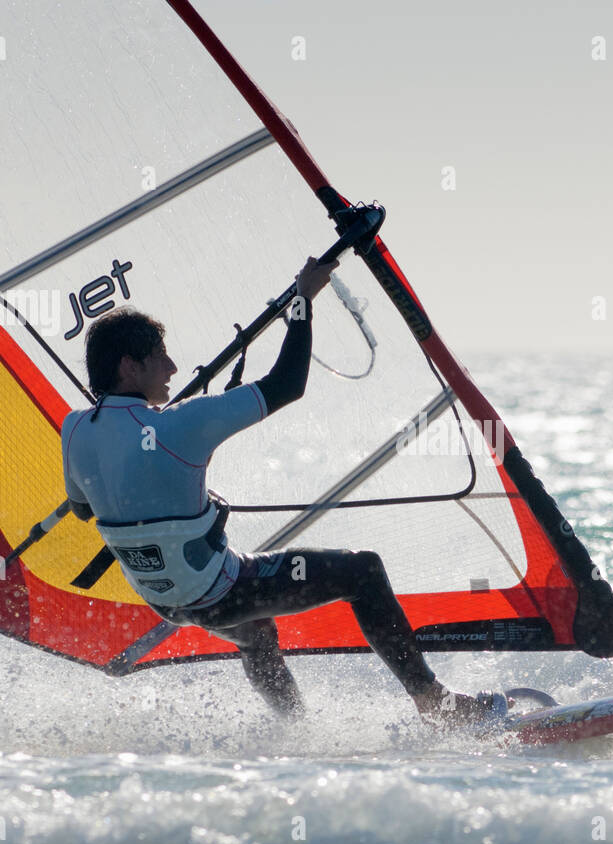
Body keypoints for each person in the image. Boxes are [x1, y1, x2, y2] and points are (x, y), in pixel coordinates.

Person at [61, 257, 503, 728]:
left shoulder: (74, 431)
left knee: (255, 633)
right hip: (219, 591)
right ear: (130, 366)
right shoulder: (180, 422)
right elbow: (287, 385)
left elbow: (84, 508)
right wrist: (301, 301)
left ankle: (293, 729)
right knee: (363, 570)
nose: (172, 365)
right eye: (160, 356)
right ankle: (435, 703)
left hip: (166, 601)